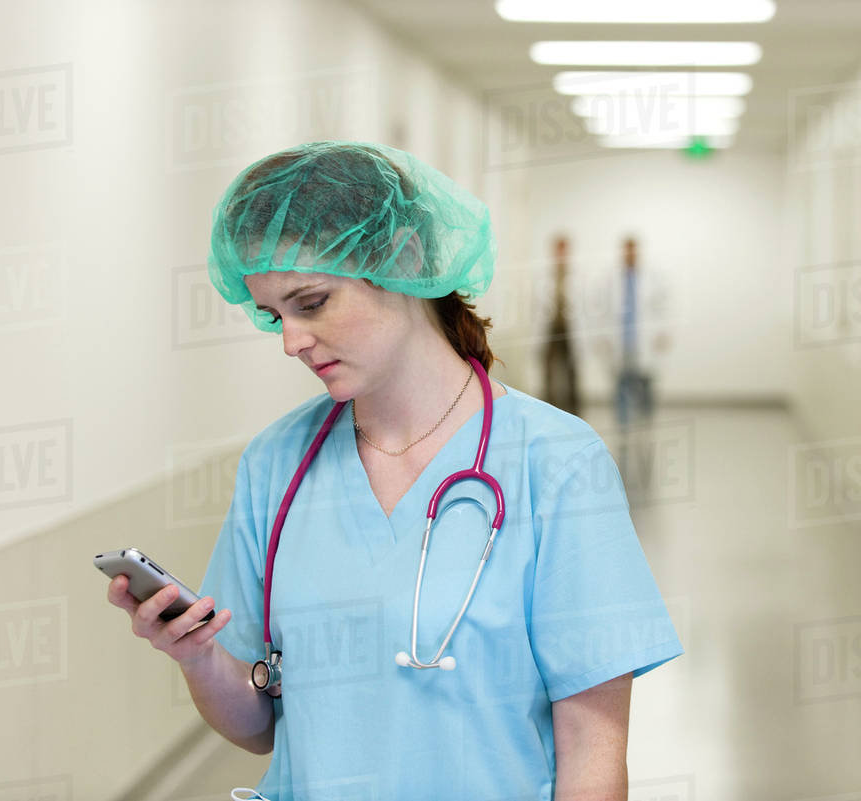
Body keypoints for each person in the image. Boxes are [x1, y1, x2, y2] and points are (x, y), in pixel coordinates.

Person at [105, 141, 683, 801]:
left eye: (312, 302)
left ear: (402, 260)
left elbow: (593, 750)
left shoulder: (555, 462)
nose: (290, 340)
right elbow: (258, 721)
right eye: (274, 314)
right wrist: (198, 654)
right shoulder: (277, 465)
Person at [540, 235, 582, 417]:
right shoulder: (544, 276)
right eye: (558, 249)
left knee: (572, 372)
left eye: (564, 249)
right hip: (551, 329)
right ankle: (549, 411)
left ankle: (574, 413)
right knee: (549, 371)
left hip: (570, 330)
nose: (561, 254)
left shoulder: (578, 276)